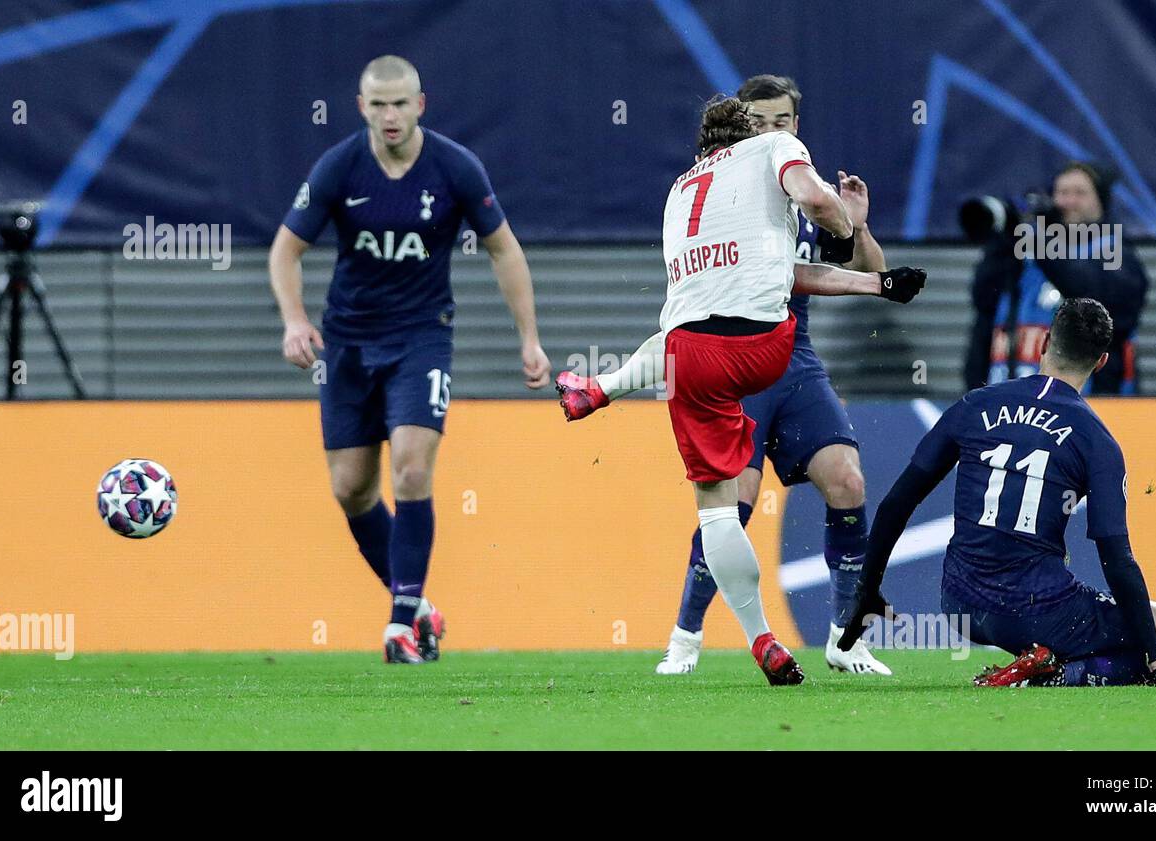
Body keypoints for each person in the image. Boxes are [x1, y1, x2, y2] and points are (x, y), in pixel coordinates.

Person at [557, 75, 923, 676]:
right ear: (742, 128)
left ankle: (845, 637)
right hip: (752, 354)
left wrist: (856, 225)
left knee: (848, 481)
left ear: (795, 125)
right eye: (758, 122)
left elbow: (868, 271)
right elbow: (789, 272)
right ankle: (686, 635)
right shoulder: (750, 184)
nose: (770, 131)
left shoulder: (778, 184)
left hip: (791, 359)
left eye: (781, 121)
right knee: (738, 502)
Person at [268, 55, 550, 664]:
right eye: (378, 104)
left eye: (401, 103)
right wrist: (295, 321)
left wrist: (529, 338)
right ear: (362, 107)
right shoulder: (339, 167)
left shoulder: (455, 168)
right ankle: (419, 608)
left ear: (421, 104)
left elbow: (504, 250)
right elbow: (285, 251)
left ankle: (399, 624)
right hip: (347, 342)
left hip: (423, 335)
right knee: (351, 490)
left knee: (413, 470)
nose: (390, 115)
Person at [837, 298, 1156, 687]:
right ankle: (1059, 674)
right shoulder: (1097, 442)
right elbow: (1117, 559)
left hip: (959, 603)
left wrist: (867, 589)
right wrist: (1153, 658)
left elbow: (897, 502)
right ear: (1101, 362)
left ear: (1045, 342)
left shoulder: (974, 405)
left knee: (1109, 632)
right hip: (1041, 610)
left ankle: (1042, 662)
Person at [965, 162, 1149, 394]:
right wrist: (1007, 238)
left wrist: (1037, 239)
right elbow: (982, 300)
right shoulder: (1025, 253)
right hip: (1011, 405)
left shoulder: (1116, 253)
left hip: (1091, 407)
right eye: (1062, 193)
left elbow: (1090, 292)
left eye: (1080, 193)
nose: (1069, 201)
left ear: (1101, 202)